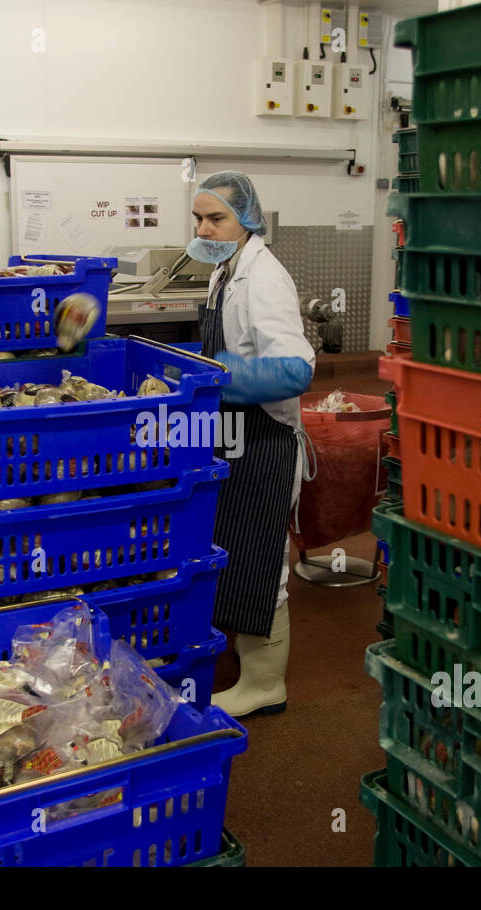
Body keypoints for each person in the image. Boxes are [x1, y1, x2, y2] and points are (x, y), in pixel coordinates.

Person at [188, 171, 315, 719]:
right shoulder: (225, 271)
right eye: (198, 217)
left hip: (266, 437)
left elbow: (295, 368)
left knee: (263, 558)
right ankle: (242, 657)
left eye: (215, 217)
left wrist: (229, 375)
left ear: (245, 218)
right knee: (233, 547)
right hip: (233, 433)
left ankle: (267, 685)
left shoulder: (265, 278)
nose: (204, 227)